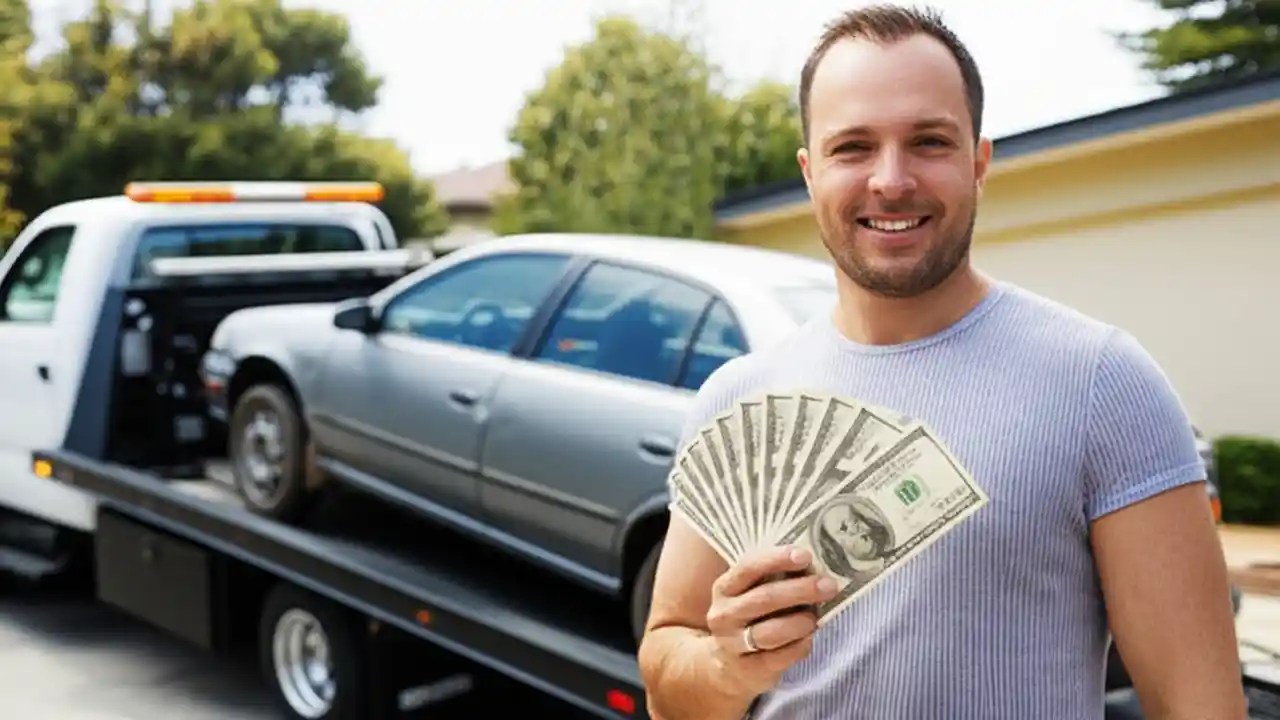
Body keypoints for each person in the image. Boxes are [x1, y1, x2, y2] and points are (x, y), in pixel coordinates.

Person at [636, 4, 1246, 719]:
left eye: (928, 141)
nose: (890, 180)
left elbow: (1198, 704)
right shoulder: (737, 397)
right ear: (809, 172)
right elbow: (666, 681)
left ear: (978, 162)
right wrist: (723, 665)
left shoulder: (1102, 382)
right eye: (853, 147)